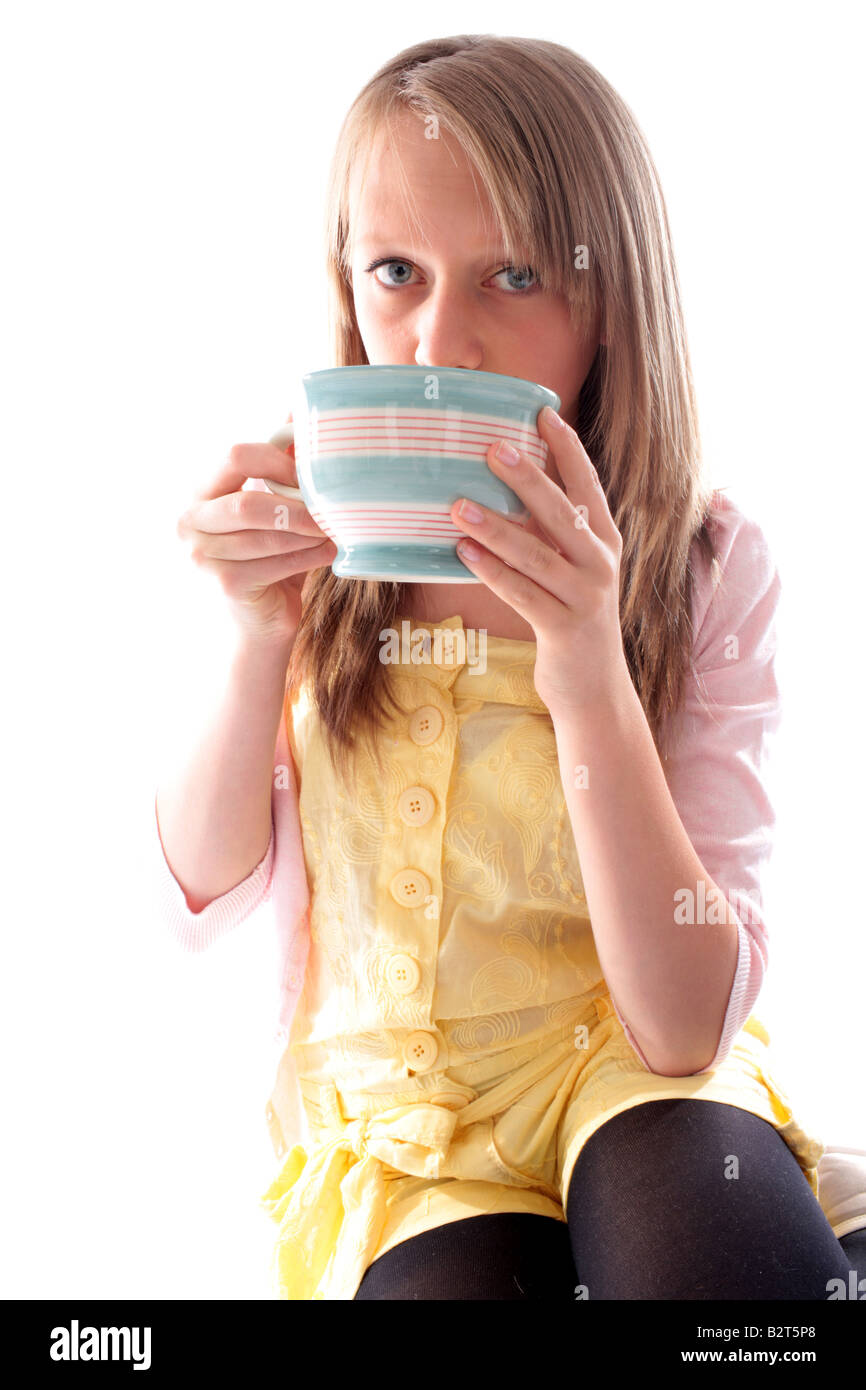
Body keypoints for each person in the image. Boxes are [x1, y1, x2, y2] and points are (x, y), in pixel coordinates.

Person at [155, 34, 866, 1300]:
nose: (443, 338)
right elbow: (197, 890)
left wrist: (587, 667)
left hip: (628, 1059)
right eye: (395, 274)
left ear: (611, 300)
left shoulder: (697, 559)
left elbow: (678, 1022)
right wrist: (252, 643)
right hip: (403, 1126)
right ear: (345, 284)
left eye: (514, 274)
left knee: (705, 1254)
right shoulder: (296, 532)